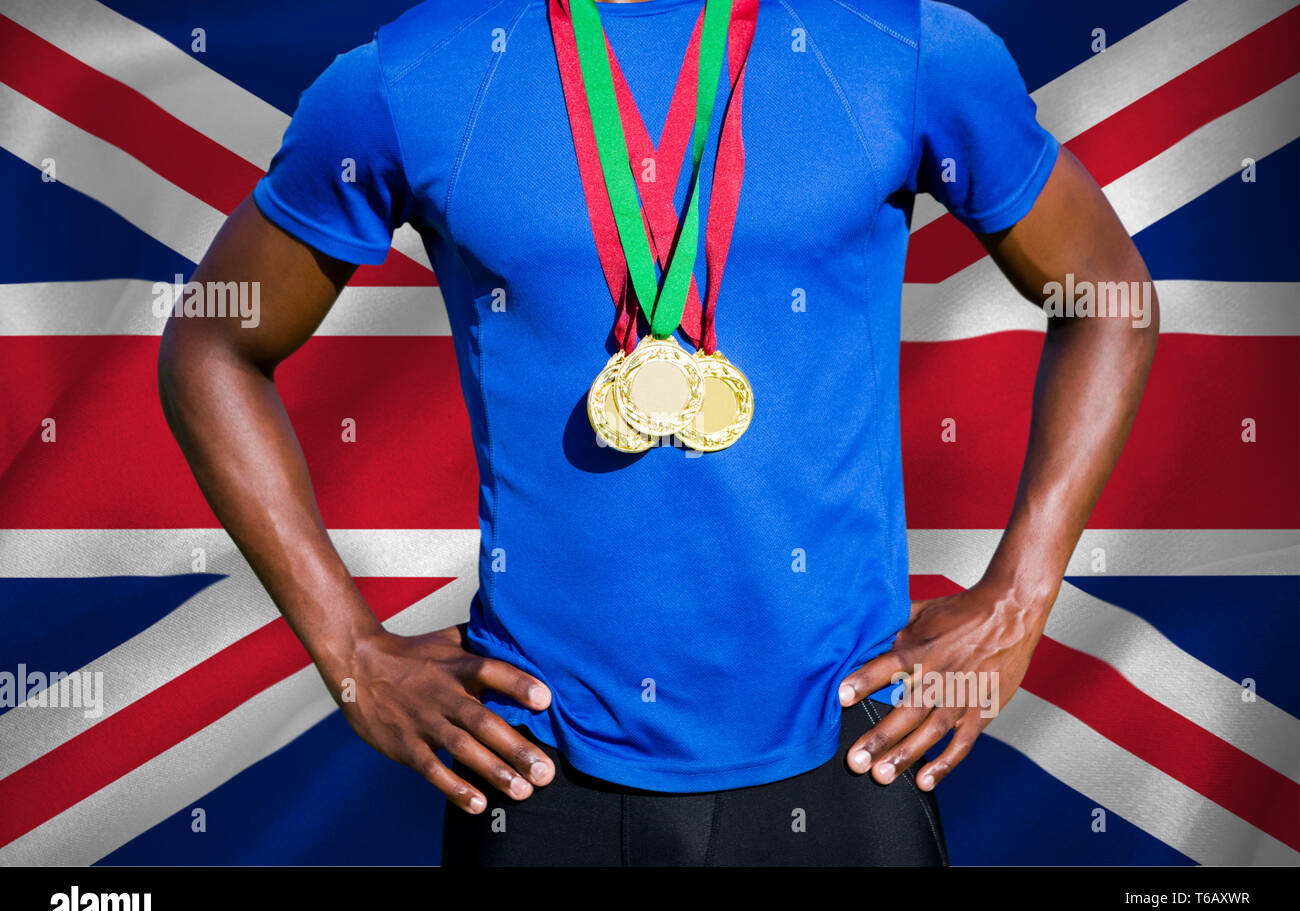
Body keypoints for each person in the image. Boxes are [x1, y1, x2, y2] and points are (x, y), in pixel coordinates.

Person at [158, 0, 1158, 866]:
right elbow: (212, 344)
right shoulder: (412, 75)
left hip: (849, 756)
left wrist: (1022, 594)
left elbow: (1107, 291)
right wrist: (348, 650)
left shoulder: (898, 46)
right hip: (541, 778)